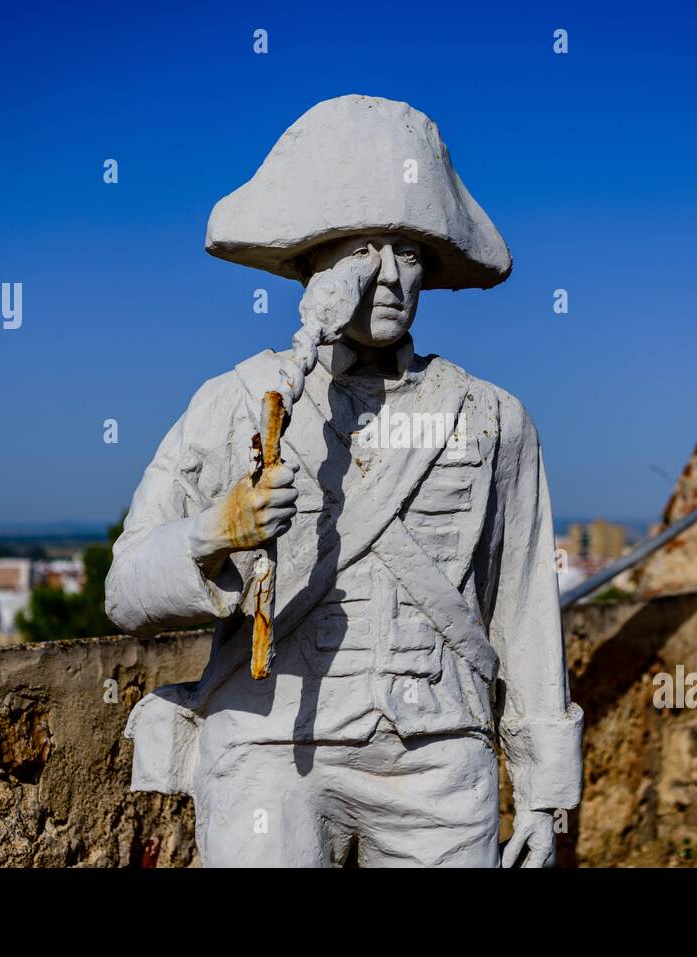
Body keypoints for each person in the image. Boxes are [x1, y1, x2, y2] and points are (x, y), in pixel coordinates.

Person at [108, 95, 582, 867]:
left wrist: (543, 788)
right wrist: (212, 534)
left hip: (440, 754)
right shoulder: (235, 404)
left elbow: (524, 607)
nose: (392, 277)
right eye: (365, 251)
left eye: (410, 251)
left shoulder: (493, 417)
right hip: (271, 743)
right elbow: (126, 588)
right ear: (312, 264)